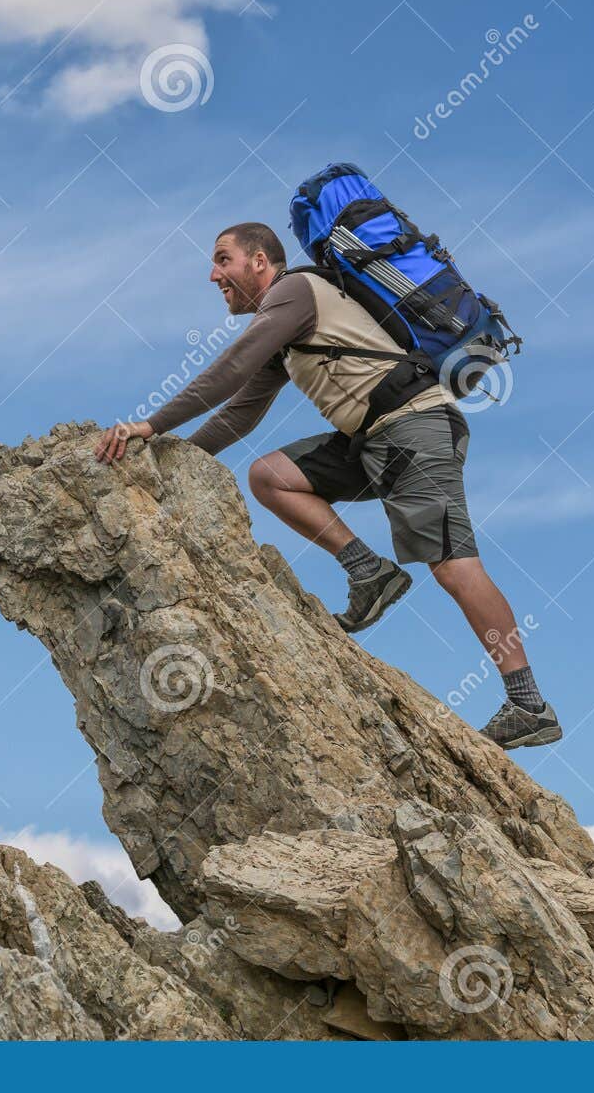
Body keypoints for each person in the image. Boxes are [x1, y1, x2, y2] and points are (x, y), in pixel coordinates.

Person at [92, 223, 560, 750]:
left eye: (224, 260)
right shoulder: (285, 334)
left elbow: (228, 370)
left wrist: (149, 426)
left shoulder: (294, 292)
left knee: (454, 567)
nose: (213, 273)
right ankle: (369, 574)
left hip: (415, 427)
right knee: (270, 477)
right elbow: (238, 415)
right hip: (370, 440)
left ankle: (528, 704)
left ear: (261, 263)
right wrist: (166, 465)